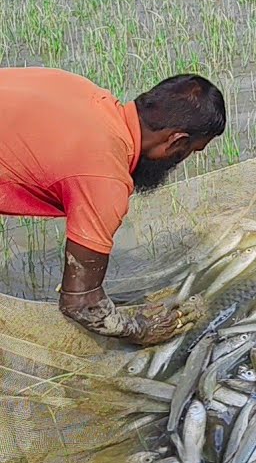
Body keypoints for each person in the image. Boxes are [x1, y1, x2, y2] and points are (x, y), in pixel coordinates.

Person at [0, 69, 225, 345]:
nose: (181, 161)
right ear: (176, 141)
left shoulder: (83, 90)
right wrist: (140, 328)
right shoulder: (105, 178)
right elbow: (81, 304)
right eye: (189, 151)